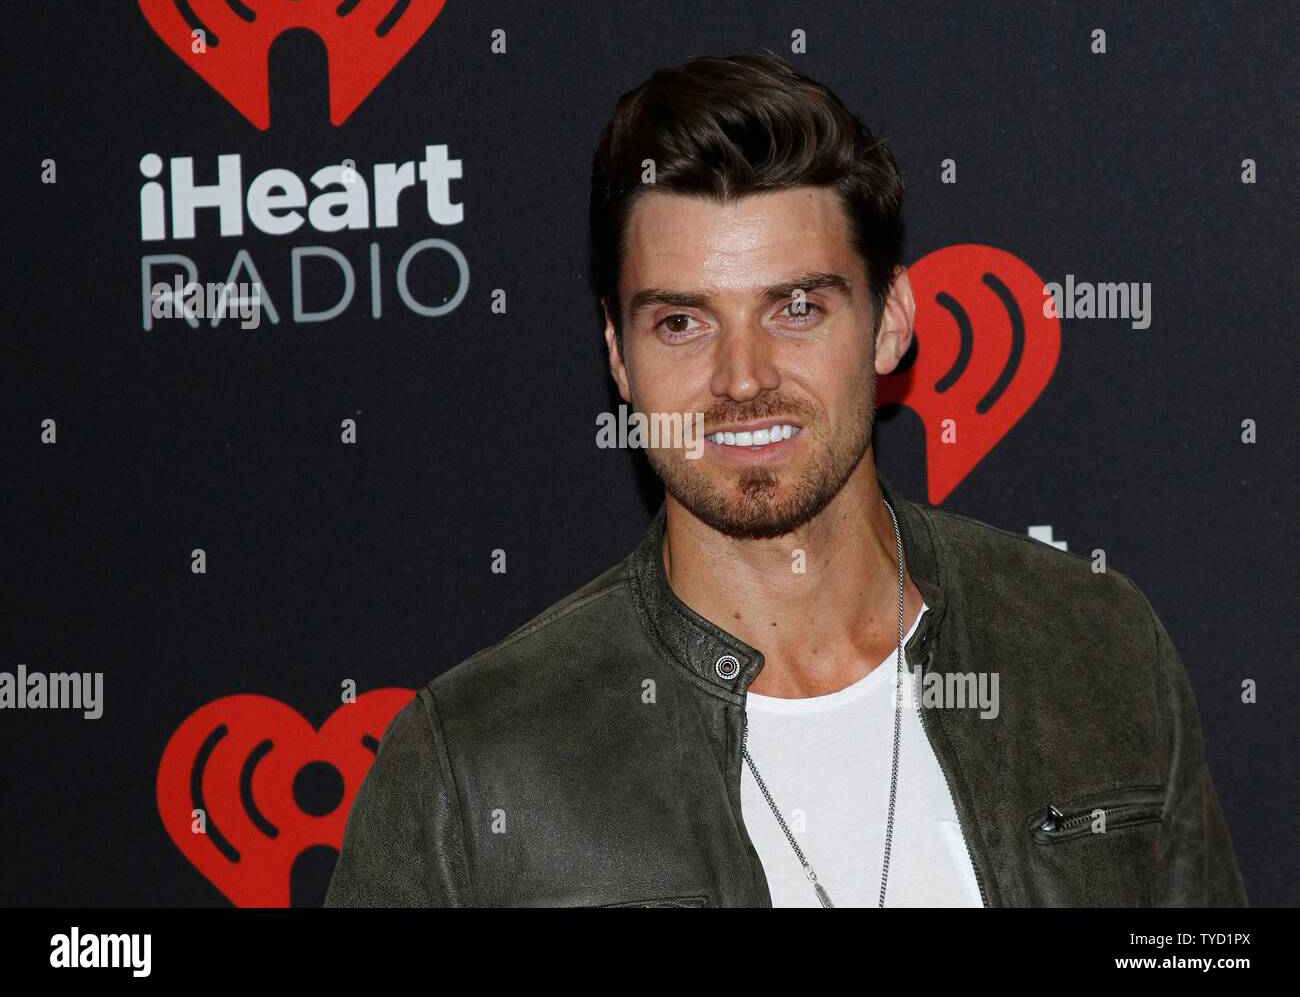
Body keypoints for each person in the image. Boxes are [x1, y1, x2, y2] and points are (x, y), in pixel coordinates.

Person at [324, 51, 1247, 907]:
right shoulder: (475, 763)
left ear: (892, 320)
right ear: (618, 352)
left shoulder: (1092, 646)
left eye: (797, 307)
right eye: (682, 322)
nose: (743, 377)